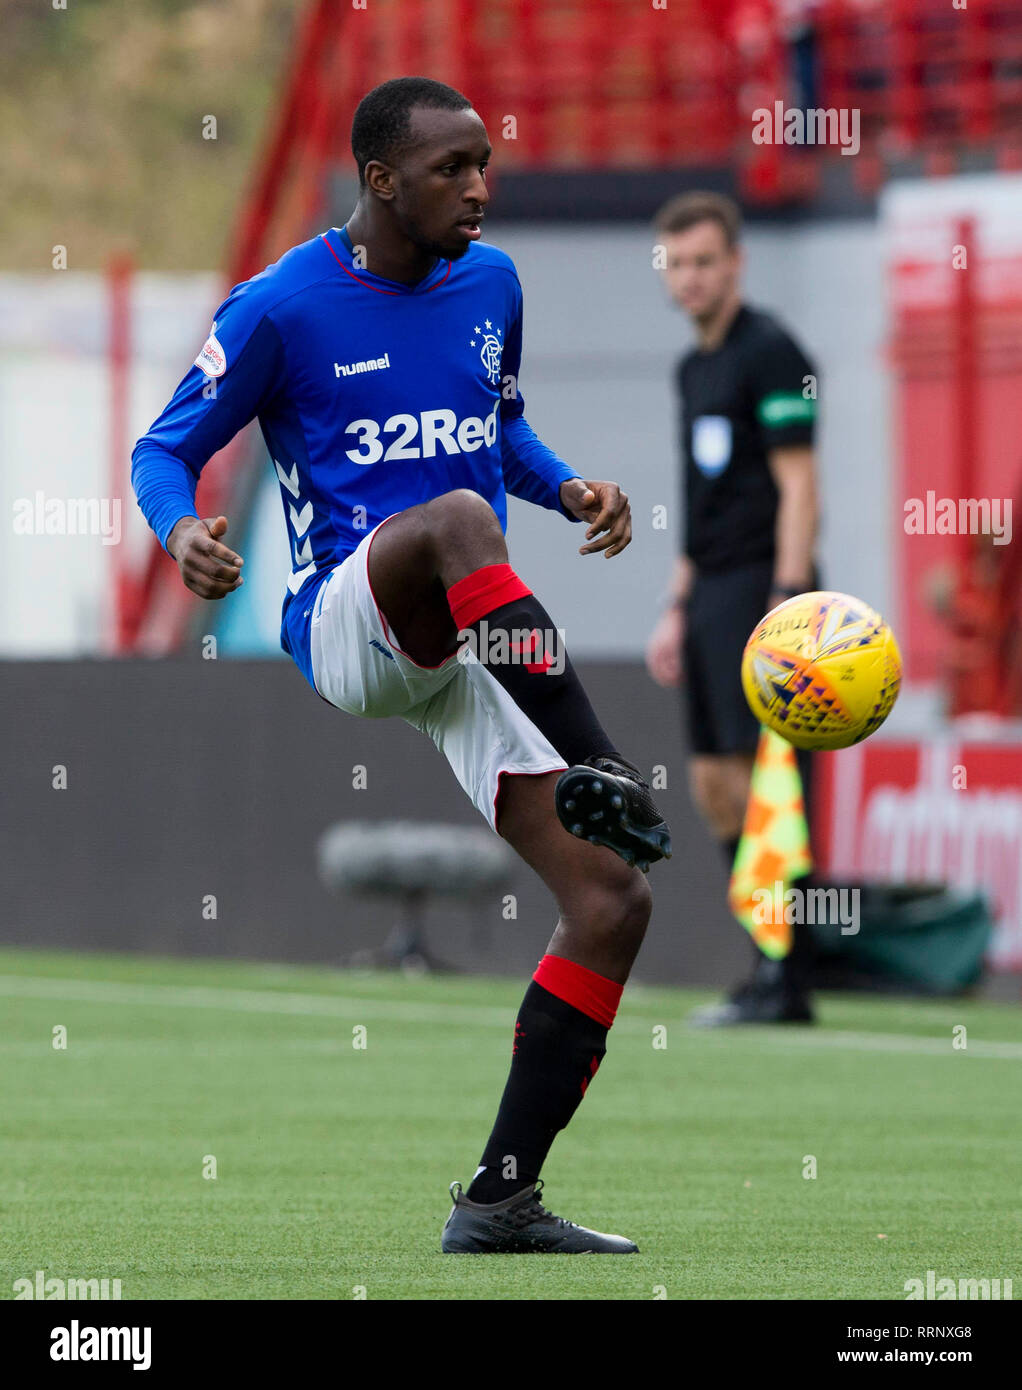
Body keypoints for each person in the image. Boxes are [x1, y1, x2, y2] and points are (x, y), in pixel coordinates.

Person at [132, 77, 671, 1254]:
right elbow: (162, 446)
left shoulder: (491, 282)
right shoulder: (280, 307)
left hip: (468, 632)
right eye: (451, 170)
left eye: (484, 163)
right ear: (380, 181)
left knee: (610, 899)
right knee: (456, 520)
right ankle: (607, 762)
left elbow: (495, 421)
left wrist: (567, 483)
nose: (479, 188)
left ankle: (498, 1197)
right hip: (346, 620)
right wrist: (180, 531)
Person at [645, 190, 819, 1026]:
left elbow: (799, 487)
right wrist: (677, 605)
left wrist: (785, 600)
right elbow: (696, 494)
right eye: (677, 264)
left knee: (768, 783)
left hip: (764, 586)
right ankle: (761, 963)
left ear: (736, 263)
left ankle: (787, 980)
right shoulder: (690, 367)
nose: (691, 279)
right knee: (716, 784)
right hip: (710, 591)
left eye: (706, 261)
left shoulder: (774, 352)